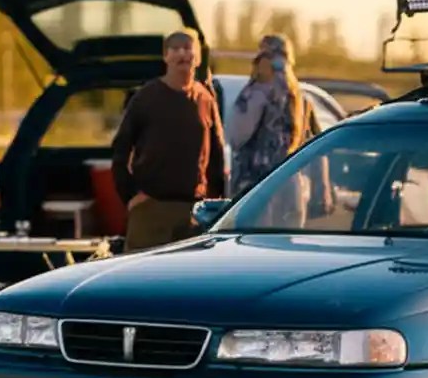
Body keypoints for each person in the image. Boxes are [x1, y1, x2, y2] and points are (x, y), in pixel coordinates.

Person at [111, 28, 226, 252]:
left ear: (198, 57)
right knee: (140, 281)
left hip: (194, 214)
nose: (182, 54)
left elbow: (217, 156)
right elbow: (120, 149)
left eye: (188, 48)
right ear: (166, 57)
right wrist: (132, 196)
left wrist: (217, 203)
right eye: (175, 49)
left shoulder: (205, 99)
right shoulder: (146, 96)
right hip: (151, 209)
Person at [226, 34, 333, 223]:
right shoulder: (300, 99)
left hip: (255, 189)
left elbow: (236, 137)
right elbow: (316, 147)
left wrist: (258, 90)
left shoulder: (256, 93)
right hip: (291, 188)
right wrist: (321, 192)